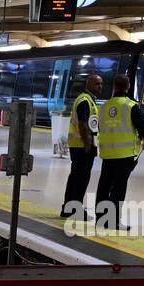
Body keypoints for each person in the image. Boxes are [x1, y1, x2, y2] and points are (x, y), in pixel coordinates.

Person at [94, 74, 144, 231]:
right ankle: (113, 221)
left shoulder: (104, 107)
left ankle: (100, 218)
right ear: (127, 87)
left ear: (114, 87)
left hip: (107, 154)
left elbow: (99, 128)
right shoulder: (131, 106)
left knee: (104, 186)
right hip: (125, 155)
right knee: (119, 188)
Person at [61, 73, 103, 219]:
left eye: (101, 84)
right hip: (82, 146)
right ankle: (76, 210)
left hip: (78, 145)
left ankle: (67, 209)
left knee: (75, 177)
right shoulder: (85, 101)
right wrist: (88, 144)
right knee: (81, 179)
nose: (100, 86)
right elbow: (83, 124)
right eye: (97, 84)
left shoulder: (88, 100)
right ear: (89, 84)